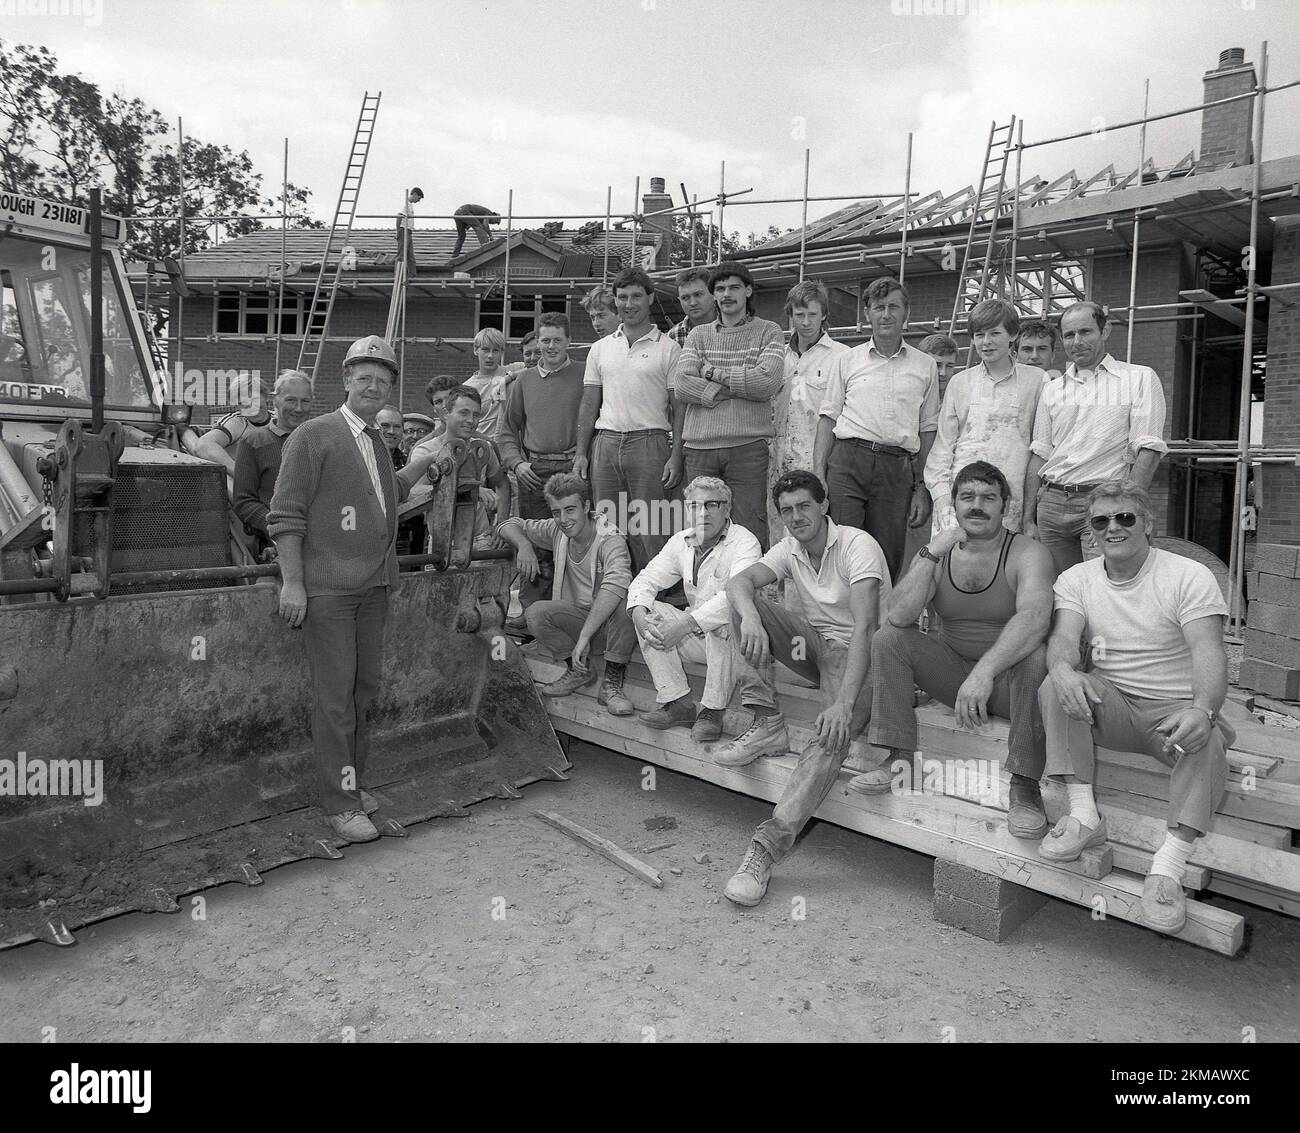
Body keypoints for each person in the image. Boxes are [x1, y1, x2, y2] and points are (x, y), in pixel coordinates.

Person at [267, 336, 442, 843]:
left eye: (382, 380)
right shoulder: (314, 437)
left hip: (374, 587)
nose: (372, 386)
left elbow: (392, 495)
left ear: (391, 388)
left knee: (364, 692)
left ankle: (352, 784)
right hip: (329, 590)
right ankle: (340, 805)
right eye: (363, 377)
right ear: (345, 381)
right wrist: (294, 583)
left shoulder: (376, 443)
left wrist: (435, 455)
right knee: (335, 699)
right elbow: (286, 514)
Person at [1038, 481, 1231, 934]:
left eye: (1125, 517)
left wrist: (1203, 710)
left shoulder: (1187, 575)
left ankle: (1168, 867)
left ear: (1148, 524)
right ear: (1090, 531)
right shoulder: (1077, 579)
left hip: (1174, 713)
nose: (1113, 528)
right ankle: (1084, 815)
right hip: (1115, 705)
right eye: (1101, 521)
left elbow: (1209, 652)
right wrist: (1065, 673)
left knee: (1210, 739)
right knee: (1056, 686)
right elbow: (1064, 639)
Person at [848, 461, 1055, 838]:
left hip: (1011, 685)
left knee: (1038, 656)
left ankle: (1024, 785)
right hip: (955, 681)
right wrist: (930, 554)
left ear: (1006, 506)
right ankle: (899, 759)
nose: (977, 505)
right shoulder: (938, 553)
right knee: (888, 639)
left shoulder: (1028, 552)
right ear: (954, 506)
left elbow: (1036, 619)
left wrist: (984, 673)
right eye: (968, 497)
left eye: (989, 497)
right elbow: (897, 616)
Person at [716, 471, 890, 906]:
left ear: (823, 504)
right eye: (787, 510)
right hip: (817, 647)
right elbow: (738, 583)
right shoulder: (790, 547)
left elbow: (867, 629)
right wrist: (753, 617)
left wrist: (844, 705)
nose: (796, 517)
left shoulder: (857, 545)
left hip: (866, 660)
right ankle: (767, 719)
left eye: (804, 506)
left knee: (830, 734)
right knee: (744, 602)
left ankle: (763, 851)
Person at [1024, 301, 1168, 577]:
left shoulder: (1138, 378)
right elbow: (1040, 454)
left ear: (1105, 331)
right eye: (1069, 335)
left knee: (1107, 587)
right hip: (1052, 505)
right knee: (1062, 590)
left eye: (1085, 332)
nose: (1077, 342)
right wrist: (1028, 517)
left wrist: (1121, 509)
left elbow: (1148, 450)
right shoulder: (1053, 390)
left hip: (1103, 500)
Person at [813, 277, 939, 583]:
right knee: (839, 546)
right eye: (878, 307)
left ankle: (877, 628)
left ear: (906, 312)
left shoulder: (925, 365)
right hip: (847, 462)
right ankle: (839, 626)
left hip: (896, 469)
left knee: (885, 555)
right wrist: (818, 474)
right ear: (867, 313)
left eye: (893, 306)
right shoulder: (847, 360)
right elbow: (828, 418)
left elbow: (927, 429)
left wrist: (922, 486)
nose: (886, 314)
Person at [626, 476, 763, 743]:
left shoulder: (745, 543)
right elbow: (646, 579)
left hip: (735, 647)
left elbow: (734, 597)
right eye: (694, 506)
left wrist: (686, 624)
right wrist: (640, 615)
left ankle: (712, 710)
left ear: (727, 509)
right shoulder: (681, 541)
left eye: (712, 505)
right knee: (648, 608)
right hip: (696, 642)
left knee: (723, 620)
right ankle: (678, 702)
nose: (702, 513)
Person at [497, 472, 636, 716]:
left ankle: (612, 683)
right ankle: (578, 671)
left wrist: (584, 636)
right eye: (556, 512)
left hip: (609, 629)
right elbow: (508, 525)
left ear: (587, 507)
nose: (563, 519)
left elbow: (617, 584)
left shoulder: (610, 538)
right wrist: (525, 545)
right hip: (579, 623)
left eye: (570, 510)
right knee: (535, 612)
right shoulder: (557, 530)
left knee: (626, 601)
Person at [575, 267, 683, 571]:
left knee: (653, 527)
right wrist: (581, 453)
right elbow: (588, 402)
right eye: (622, 297)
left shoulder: (669, 348)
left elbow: (679, 407)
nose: (629, 304)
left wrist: (676, 456)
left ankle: (658, 600)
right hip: (606, 443)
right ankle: (616, 596)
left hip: (650, 444)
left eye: (636, 296)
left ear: (649, 298)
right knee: (610, 528)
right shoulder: (600, 348)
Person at [673, 261, 785, 549]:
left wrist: (712, 373)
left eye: (734, 287)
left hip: (748, 447)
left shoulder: (769, 331)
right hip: (699, 447)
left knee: (748, 528)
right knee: (703, 528)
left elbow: (767, 383)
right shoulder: (698, 335)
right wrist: (731, 387)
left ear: (748, 290)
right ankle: (705, 593)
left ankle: (748, 593)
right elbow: (683, 385)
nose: (726, 294)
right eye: (720, 288)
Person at [924, 298, 1046, 533]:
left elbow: (1040, 449)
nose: (986, 342)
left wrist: (1029, 514)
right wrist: (942, 500)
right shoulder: (960, 382)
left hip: (1010, 505)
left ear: (1012, 335)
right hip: (959, 501)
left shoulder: (1037, 380)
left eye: (995, 333)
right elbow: (943, 447)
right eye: (979, 334)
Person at [769, 280, 849, 540]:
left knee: (811, 532)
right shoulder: (776, 357)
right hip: (776, 459)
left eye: (812, 314)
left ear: (824, 314)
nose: (805, 322)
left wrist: (823, 466)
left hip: (816, 458)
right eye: (799, 315)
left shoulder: (842, 357)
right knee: (776, 535)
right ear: (790, 315)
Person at [498, 313, 584, 519]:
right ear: (538, 342)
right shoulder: (524, 380)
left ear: (569, 342)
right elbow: (508, 429)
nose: (551, 346)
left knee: (576, 535)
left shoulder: (585, 374)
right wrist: (517, 463)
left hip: (574, 467)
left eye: (557, 340)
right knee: (536, 537)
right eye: (545, 340)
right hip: (534, 473)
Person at [410, 385, 513, 545]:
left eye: (476, 415)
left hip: (481, 540)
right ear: (446, 414)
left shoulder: (483, 448)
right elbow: (414, 492)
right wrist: (468, 489)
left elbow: (502, 484)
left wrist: (501, 525)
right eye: (463, 413)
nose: (471, 420)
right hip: (441, 544)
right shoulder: (426, 450)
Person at [232, 369, 314, 555]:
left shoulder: (321, 440)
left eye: (305, 401)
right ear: (275, 400)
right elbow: (244, 501)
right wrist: (276, 528)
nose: (299, 408)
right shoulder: (253, 442)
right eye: (291, 400)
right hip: (277, 545)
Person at [195, 373, 274, 484]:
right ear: (237, 406)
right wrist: (241, 474)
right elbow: (203, 445)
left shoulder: (280, 422)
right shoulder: (237, 422)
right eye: (244, 403)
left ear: (266, 397)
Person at [464, 327, 515, 440]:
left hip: (510, 445)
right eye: (486, 350)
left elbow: (538, 368)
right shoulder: (467, 388)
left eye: (495, 350)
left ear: (502, 352)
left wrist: (508, 378)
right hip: (482, 446)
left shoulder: (514, 369)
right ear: (476, 350)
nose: (490, 356)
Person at [668, 266, 717, 347]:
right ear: (679, 300)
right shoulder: (673, 337)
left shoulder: (733, 327)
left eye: (698, 294)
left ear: (713, 294)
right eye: (685, 298)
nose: (693, 303)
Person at [918, 332, 960, 399]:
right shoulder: (908, 398)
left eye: (949, 366)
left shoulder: (961, 399)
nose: (943, 373)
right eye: (937, 365)